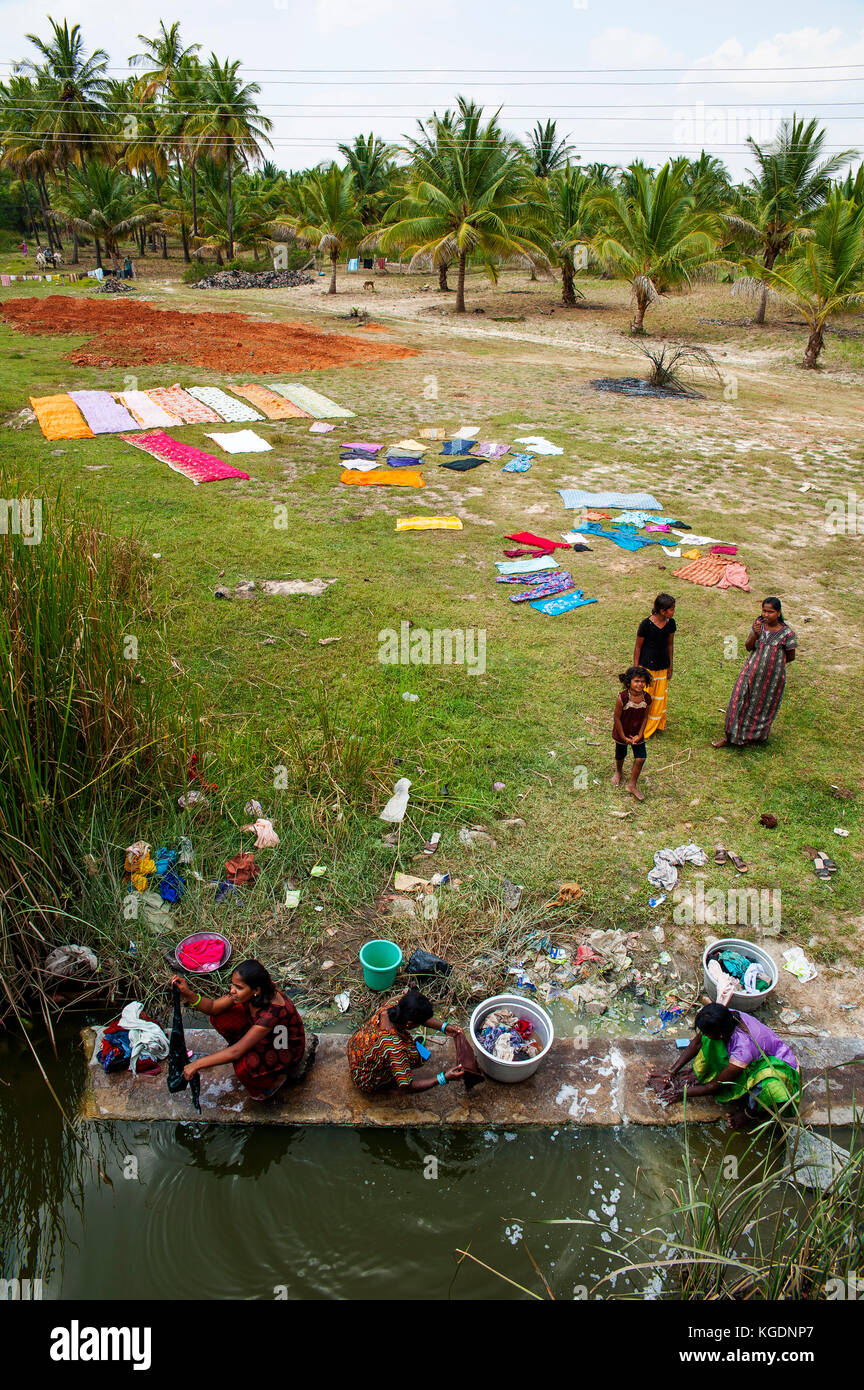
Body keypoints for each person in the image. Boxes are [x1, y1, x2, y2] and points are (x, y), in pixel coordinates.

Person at [171, 959, 311, 1100]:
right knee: (220, 1017)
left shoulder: (272, 1013)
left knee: (245, 1067)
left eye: (238, 987)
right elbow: (213, 1007)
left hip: (283, 1047)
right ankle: (248, 1044)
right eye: (232, 985)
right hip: (266, 1035)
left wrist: (196, 1065)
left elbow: (235, 1052)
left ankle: (273, 1082)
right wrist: (188, 993)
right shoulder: (247, 993)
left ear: (256, 990)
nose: (232, 990)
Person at [649, 1002, 800, 1127]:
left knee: (769, 1086)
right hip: (747, 1056)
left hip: (778, 1066)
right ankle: (704, 1073)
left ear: (721, 1035)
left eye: (706, 1032)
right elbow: (697, 1043)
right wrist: (672, 1071)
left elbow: (716, 1086)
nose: (702, 1034)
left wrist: (681, 1094)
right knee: (709, 1041)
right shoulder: (725, 1017)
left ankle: (750, 1114)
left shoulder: (743, 1048)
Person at [713, 597, 796, 748]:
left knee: (762, 706)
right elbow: (748, 647)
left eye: (770, 612)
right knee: (738, 700)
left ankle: (750, 738)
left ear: (778, 613)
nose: (765, 614)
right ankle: (730, 736)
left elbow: (790, 657)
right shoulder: (758, 625)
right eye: (764, 611)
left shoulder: (787, 634)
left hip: (772, 678)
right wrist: (755, 635)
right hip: (751, 671)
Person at [347, 988, 464, 1094]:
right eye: (419, 1023)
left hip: (357, 1046)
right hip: (365, 1077)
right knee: (410, 1063)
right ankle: (386, 1087)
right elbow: (408, 1087)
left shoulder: (394, 1006)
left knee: (415, 1053)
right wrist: (444, 1077)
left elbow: (417, 1016)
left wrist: (444, 1027)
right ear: (409, 1024)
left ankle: (411, 1051)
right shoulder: (394, 1048)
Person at [633, 593, 676, 738]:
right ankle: (639, 725)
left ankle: (654, 724)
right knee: (645, 697)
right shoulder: (646, 625)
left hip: (662, 667)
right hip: (647, 667)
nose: (673, 612)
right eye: (671, 609)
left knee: (658, 698)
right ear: (662, 610)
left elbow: (670, 644)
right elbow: (638, 647)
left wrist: (670, 666)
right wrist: (636, 669)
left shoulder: (671, 624)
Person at [612, 666, 652, 801]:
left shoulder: (647, 699)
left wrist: (640, 734)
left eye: (643, 681)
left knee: (640, 758)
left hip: (637, 733)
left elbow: (646, 717)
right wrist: (623, 737)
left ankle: (632, 785)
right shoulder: (622, 697)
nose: (640, 684)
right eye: (636, 681)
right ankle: (618, 771)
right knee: (620, 754)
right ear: (629, 682)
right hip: (622, 731)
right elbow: (616, 718)